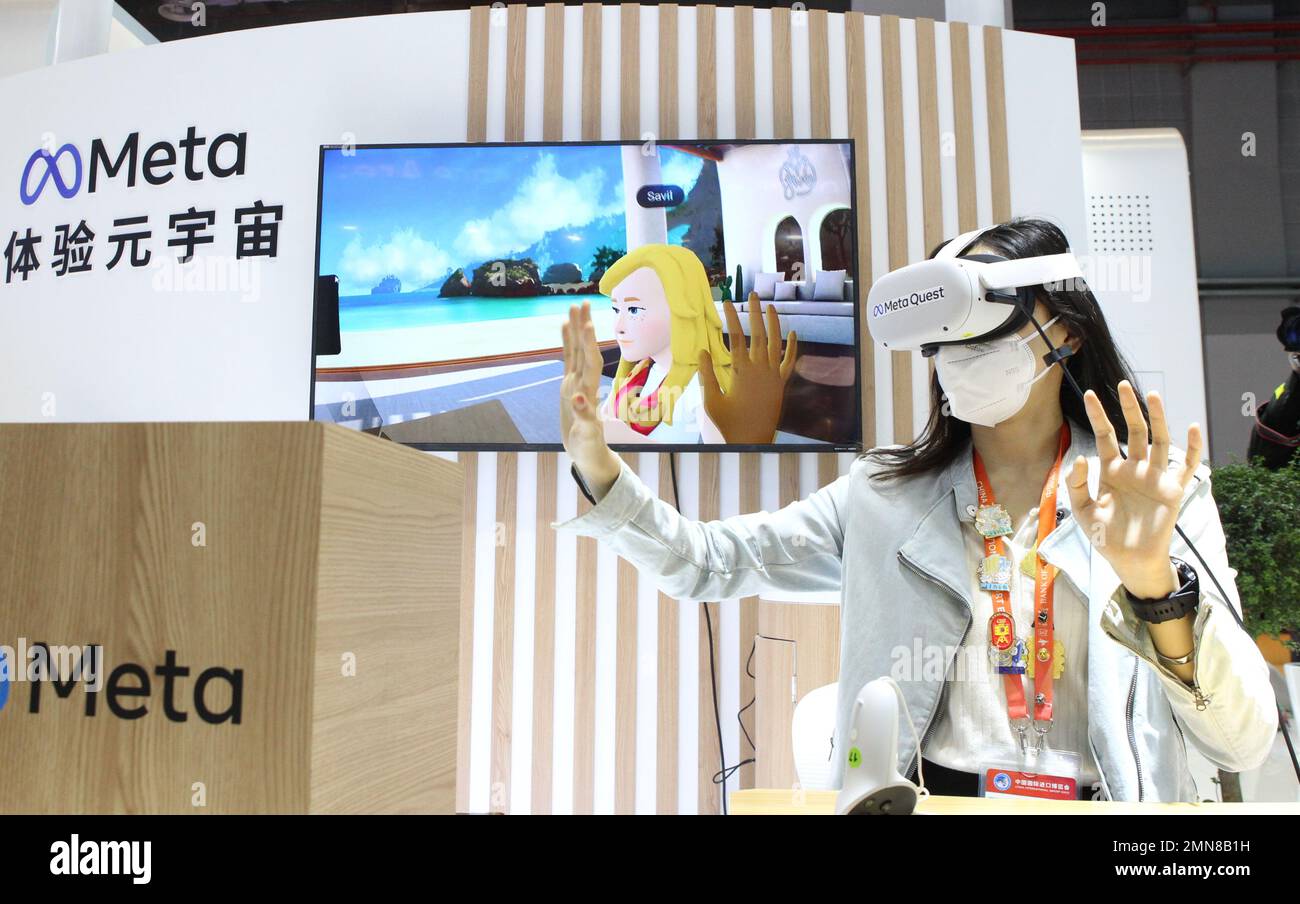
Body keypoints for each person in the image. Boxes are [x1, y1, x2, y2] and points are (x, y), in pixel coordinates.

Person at [555, 218, 1278, 802]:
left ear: (1067, 333)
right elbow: (705, 563)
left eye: (985, 325)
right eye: (943, 336)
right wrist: (596, 459)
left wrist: (1155, 587)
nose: (959, 352)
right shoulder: (882, 497)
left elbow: (1241, 743)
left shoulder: (1155, 496)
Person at [596, 244, 732, 444]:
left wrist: (627, 439)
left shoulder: (699, 383)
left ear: (682, 310)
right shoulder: (639, 371)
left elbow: (724, 460)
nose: (618, 327)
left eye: (634, 310)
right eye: (616, 310)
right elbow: (602, 420)